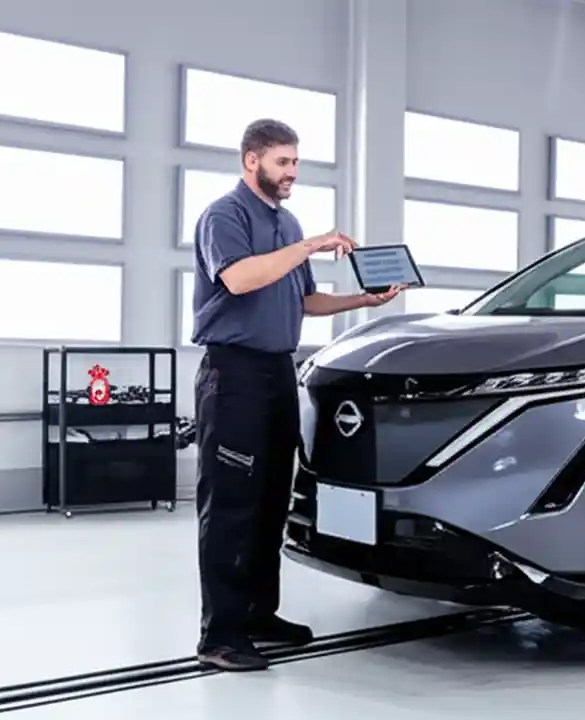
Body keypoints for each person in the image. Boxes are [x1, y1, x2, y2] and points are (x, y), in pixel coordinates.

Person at [190, 118, 402, 672]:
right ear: (250, 161)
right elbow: (238, 279)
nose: (291, 173)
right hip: (232, 374)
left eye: (295, 163)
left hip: (279, 372)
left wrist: (363, 301)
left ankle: (261, 614)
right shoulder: (225, 216)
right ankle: (221, 635)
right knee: (231, 505)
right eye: (282, 162)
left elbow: (304, 299)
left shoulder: (287, 224)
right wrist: (310, 244)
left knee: (270, 501)